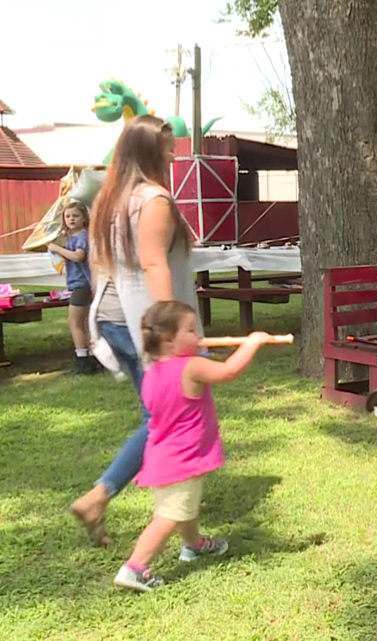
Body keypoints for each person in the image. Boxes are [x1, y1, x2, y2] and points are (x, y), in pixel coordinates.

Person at [70, 114, 201, 547]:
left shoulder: (113, 198)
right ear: (146, 151)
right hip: (141, 322)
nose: (174, 152)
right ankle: (101, 496)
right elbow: (153, 263)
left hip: (116, 318)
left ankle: (181, 525)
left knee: (161, 417)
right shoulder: (153, 199)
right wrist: (170, 331)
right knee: (167, 417)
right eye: (167, 146)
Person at [113, 301, 271, 592]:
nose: (197, 335)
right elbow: (228, 372)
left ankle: (194, 545)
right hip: (181, 459)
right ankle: (135, 567)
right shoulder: (191, 366)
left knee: (184, 505)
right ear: (168, 340)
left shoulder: (153, 371)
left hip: (164, 454)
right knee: (169, 516)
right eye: (190, 330)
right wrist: (253, 342)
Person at [47, 201, 97, 375]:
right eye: (67, 216)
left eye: (75, 216)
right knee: (84, 323)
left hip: (82, 285)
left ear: (84, 218)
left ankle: (83, 360)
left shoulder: (82, 237)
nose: (71, 219)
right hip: (82, 285)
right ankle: (92, 357)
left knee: (74, 322)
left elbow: (78, 256)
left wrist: (58, 249)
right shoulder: (73, 238)